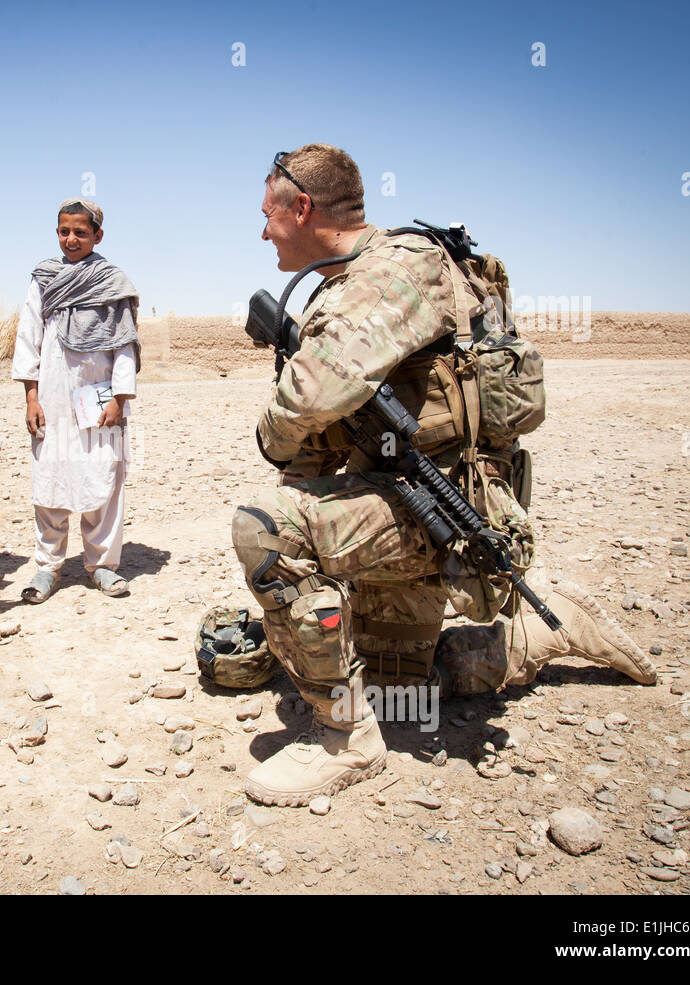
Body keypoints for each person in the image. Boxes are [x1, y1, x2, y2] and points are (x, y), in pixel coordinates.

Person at [231, 144, 656, 807]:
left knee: (262, 530)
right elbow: (321, 443)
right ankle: (540, 633)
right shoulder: (372, 278)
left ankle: (345, 740)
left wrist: (275, 465)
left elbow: (309, 400)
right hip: (418, 503)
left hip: (439, 513)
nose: (263, 231)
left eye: (268, 215)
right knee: (399, 683)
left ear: (303, 207)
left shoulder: (394, 274)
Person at [12, 197, 140, 603]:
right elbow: (28, 335)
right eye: (64, 231)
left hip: (98, 397)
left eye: (80, 232)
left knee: (103, 476)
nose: (71, 239)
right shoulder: (44, 278)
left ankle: (102, 565)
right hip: (50, 392)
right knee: (50, 477)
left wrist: (119, 399)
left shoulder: (111, 281)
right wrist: (31, 396)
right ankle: (47, 567)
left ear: (97, 235)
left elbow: (125, 345)